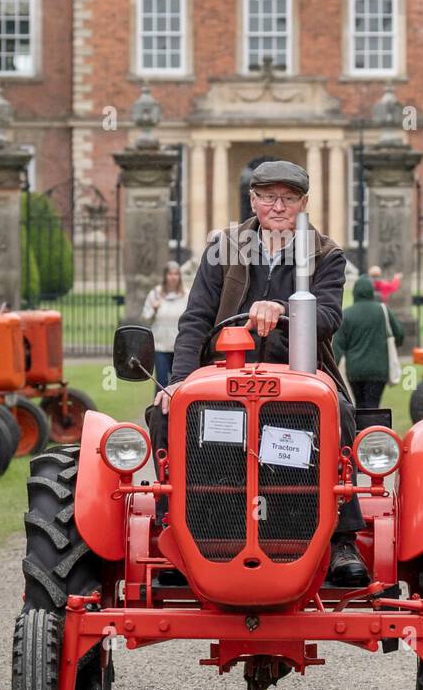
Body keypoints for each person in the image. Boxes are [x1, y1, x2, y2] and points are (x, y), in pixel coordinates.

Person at [146, 158, 370, 586]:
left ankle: (342, 539)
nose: (278, 206)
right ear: (253, 199)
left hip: (299, 369)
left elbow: (328, 317)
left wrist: (283, 310)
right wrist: (176, 382)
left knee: (340, 413)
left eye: (288, 198)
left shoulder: (326, 254)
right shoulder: (223, 247)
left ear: (304, 203)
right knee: (166, 413)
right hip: (224, 368)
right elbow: (195, 320)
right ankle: (174, 530)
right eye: (268, 197)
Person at [334, 275, 404, 409]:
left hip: (355, 371)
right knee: (373, 405)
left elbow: (338, 346)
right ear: (372, 291)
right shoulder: (382, 310)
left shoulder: (347, 314)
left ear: (355, 292)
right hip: (378, 370)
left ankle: (361, 429)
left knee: (360, 405)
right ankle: (372, 429)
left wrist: (332, 372)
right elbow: (399, 334)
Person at [141, 261, 190, 389]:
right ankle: (160, 409)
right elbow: (146, 317)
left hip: (179, 346)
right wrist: (154, 309)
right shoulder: (156, 294)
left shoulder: (187, 295)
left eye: (176, 274)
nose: (173, 277)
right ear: (165, 276)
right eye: (170, 274)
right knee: (161, 383)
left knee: (179, 383)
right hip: (160, 346)